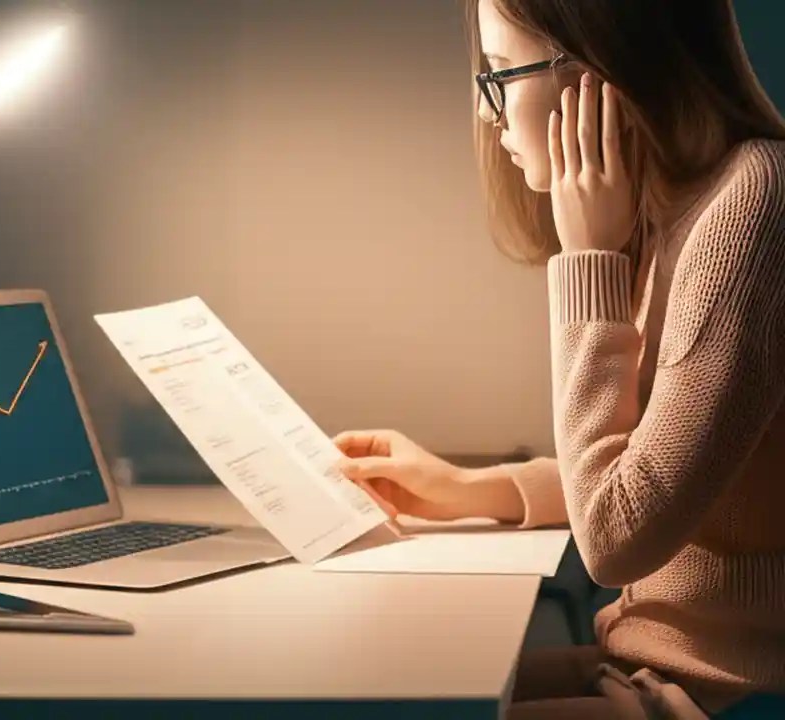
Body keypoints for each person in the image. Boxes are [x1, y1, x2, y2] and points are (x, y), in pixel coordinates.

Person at [331, 1, 785, 718]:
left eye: (502, 72)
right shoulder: (675, 207)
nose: (490, 113)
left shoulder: (753, 202)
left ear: (598, 71)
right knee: (365, 691)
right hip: (648, 666)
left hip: (725, 695)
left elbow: (616, 536)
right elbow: (655, 469)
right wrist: (463, 488)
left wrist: (589, 260)